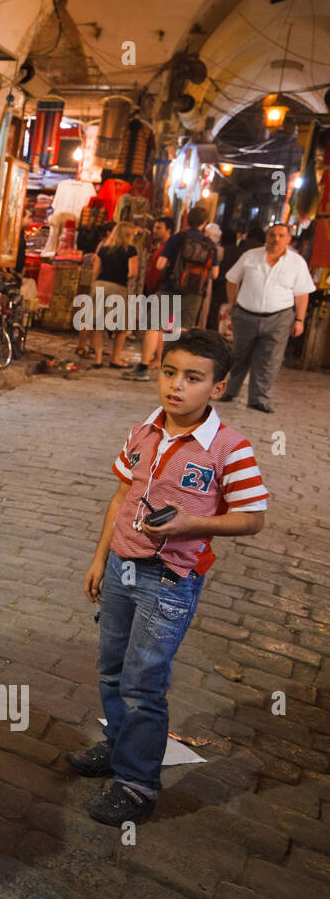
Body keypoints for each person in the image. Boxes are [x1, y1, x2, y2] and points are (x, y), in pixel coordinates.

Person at [73, 329, 267, 824]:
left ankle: (137, 783)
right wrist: (100, 558)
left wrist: (190, 524)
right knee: (111, 668)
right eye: (169, 372)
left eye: (193, 378)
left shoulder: (229, 449)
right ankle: (117, 746)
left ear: (217, 388)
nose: (176, 386)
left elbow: (252, 517)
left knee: (143, 683)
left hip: (168, 581)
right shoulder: (144, 430)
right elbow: (121, 497)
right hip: (120, 568)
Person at [218, 222, 315, 413]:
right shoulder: (250, 256)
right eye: (272, 235)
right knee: (239, 354)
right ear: (266, 237)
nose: (276, 239)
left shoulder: (296, 263)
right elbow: (232, 278)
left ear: (288, 239)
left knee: (269, 359)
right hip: (245, 314)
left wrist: (299, 319)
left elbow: (302, 293)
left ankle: (259, 398)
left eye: (281, 236)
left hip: (279, 317)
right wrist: (232, 302)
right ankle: (230, 390)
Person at [123, 216, 173, 381]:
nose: (155, 231)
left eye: (159, 228)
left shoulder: (168, 247)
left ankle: (144, 366)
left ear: (168, 230)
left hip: (162, 290)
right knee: (159, 328)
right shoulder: (163, 246)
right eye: (155, 227)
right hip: (161, 290)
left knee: (153, 327)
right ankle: (157, 360)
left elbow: (158, 270)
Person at [156, 205, 214, 331]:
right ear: (204, 223)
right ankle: (176, 351)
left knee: (157, 325)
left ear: (187, 220)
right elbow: (214, 274)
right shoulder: (209, 244)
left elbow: (160, 264)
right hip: (195, 292)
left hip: (171, 287)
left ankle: (155, 351)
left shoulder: (177, 238)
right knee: (183, 329)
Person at [90, 221, 139, 368]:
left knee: (98, 325)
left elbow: (95, 271)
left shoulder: (103, 249)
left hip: (100, 285)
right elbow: (133, 272)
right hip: (118, 287)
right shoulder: (130, 250)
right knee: (121, 327)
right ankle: (115, 358)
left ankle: (98, 359)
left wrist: (94, 286)